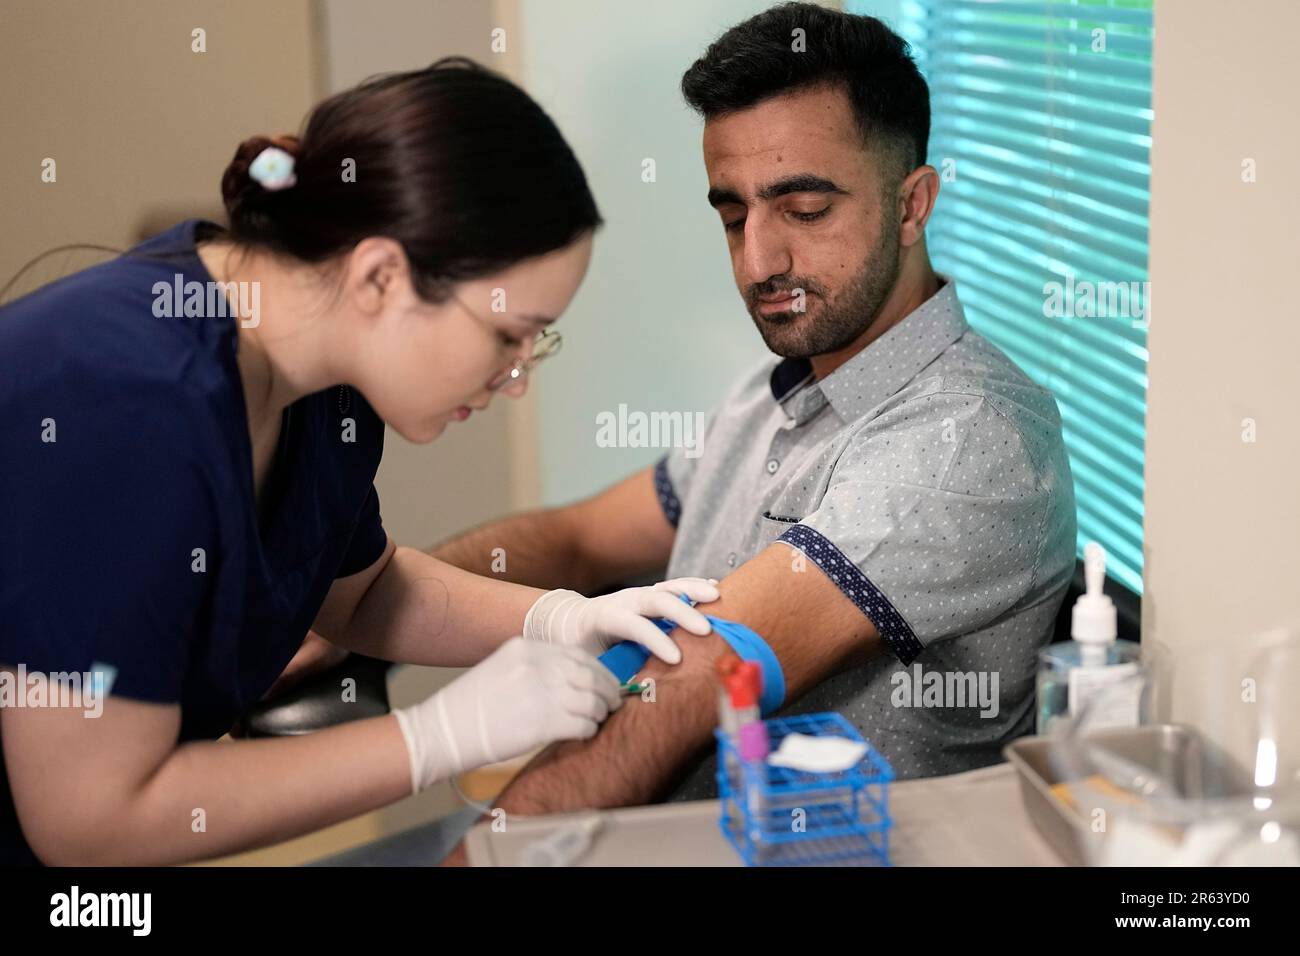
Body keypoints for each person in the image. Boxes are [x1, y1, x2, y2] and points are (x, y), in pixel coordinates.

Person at [0, 57, 719, 866]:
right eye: (508, 334)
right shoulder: (127, 405)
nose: (516, 379)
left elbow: (361, 592)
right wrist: (436, 737)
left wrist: (558, 617)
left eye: (535, 343)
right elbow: (90, 822)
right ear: (381, 274)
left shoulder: (324, 389)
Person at [425, 4, 1077, 862]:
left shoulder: (968, 438)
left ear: (913, 203)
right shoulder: (773, 394)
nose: (757, 262)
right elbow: (578, 541)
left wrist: (482, 854)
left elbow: (702, 676)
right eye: (733, 215)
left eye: (804, 208)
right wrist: (348, 609)